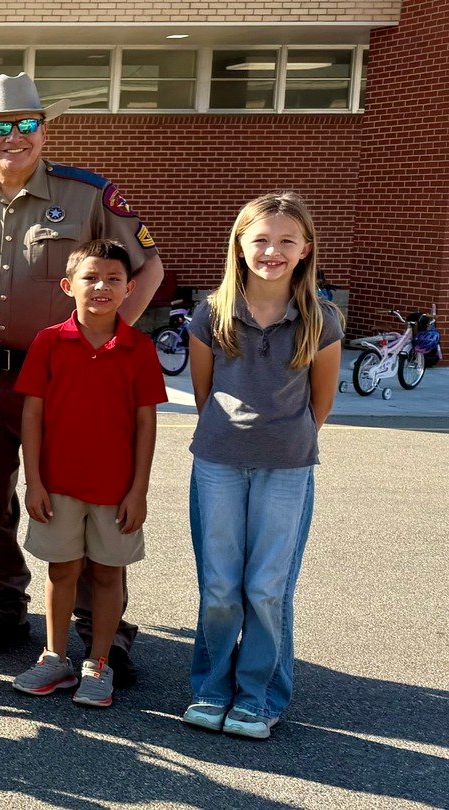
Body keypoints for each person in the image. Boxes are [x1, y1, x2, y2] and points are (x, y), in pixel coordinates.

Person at [0, 74, 164, 681]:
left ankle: (103, 628)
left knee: (87, 495)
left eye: (26, 125)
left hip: (67, 381)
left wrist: (106, 342)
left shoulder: (89, 196)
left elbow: (148, 266)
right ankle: (5, 608)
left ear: (44, 131)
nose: (13, 138)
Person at [180, 192, 341, 740]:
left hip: (287, 468)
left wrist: (281, 440)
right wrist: (235, 437)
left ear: (305, 250)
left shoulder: (322, 319)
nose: (272, 250)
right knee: (221, 586)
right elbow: (204, 393)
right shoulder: (212, 313)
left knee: (267, 588)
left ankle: (258, 696)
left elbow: (321, 401)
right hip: (219, 466)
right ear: (240, 245)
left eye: (285, 241)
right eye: (261, 239)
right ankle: (211, 688)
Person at [9, 240, 166, 709]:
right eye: (90, 278)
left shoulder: (137, 348)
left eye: (113, 280)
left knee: (107, 573)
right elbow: (32, 416)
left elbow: (146, 424)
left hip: (116, 489)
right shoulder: (49, 342)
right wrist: (33, 481)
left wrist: (139, 491)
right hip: (57, 485)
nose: (101, 287)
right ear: (68, 286)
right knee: (62, 570)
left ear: (129, 288)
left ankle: (99, 662)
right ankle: (54, 656)